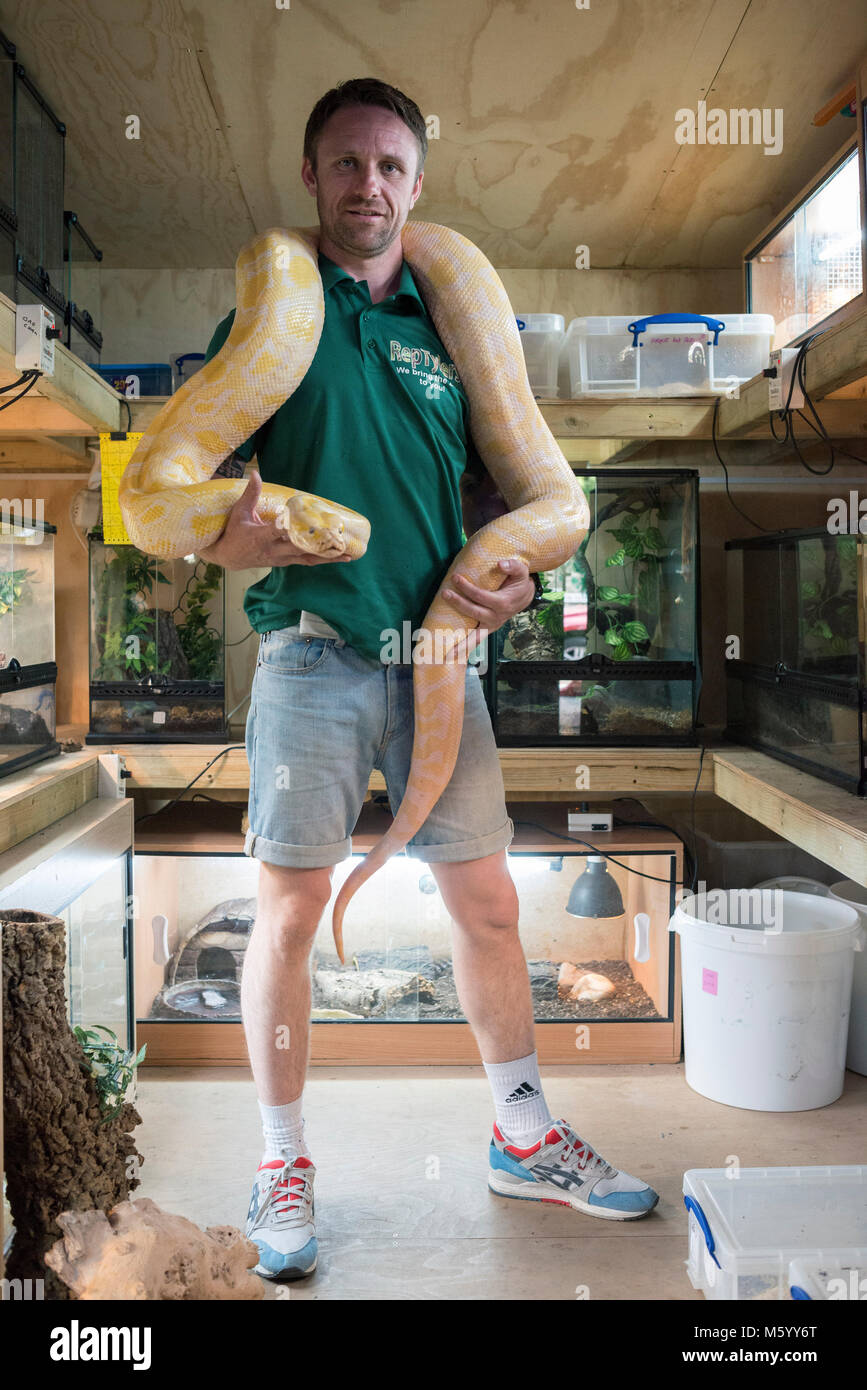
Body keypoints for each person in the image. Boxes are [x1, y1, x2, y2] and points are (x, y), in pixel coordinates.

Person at [200, 77, 658, 1281]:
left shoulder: (454, 327)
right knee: (291, 911)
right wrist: (228, 535)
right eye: (348, 164)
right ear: (312, 176)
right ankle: (283, 1159)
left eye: (392, 167)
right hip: (312, 650)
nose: (370, 186)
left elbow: (496, 497)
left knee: (491, 904)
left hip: (444, 653)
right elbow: (197, 501)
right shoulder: (269, 316)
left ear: (417, 182)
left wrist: (510, 577)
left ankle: (521, 1133)